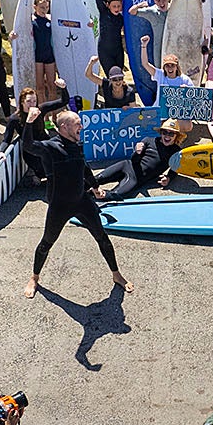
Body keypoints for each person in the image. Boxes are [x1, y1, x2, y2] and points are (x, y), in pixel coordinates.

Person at [25, 109, 132, 300]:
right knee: (46, 243)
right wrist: (29, 122)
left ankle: (116, 274)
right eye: (77, 123)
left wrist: (95, 186)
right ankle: (34, 277)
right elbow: (28, 146)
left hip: (82, 200)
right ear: (64, 127)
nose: (81, 127)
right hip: (60, 205)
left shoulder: (77, 144)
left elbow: (83, 167)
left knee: (102, 238)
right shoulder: (51, 147)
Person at [91, 119, 185, 199]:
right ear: (161, 133)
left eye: (171, 134)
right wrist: (137, 152)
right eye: (165, 132)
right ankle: (79, 191)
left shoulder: (176, 151)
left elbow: (175, 168)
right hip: (126, 166)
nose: (167, 136)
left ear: (176, 136)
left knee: (115, 195)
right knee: (97, 179)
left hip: (136, 179)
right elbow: (134, 160)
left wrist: (169, 178)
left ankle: (90, 195)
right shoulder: (149, 140)